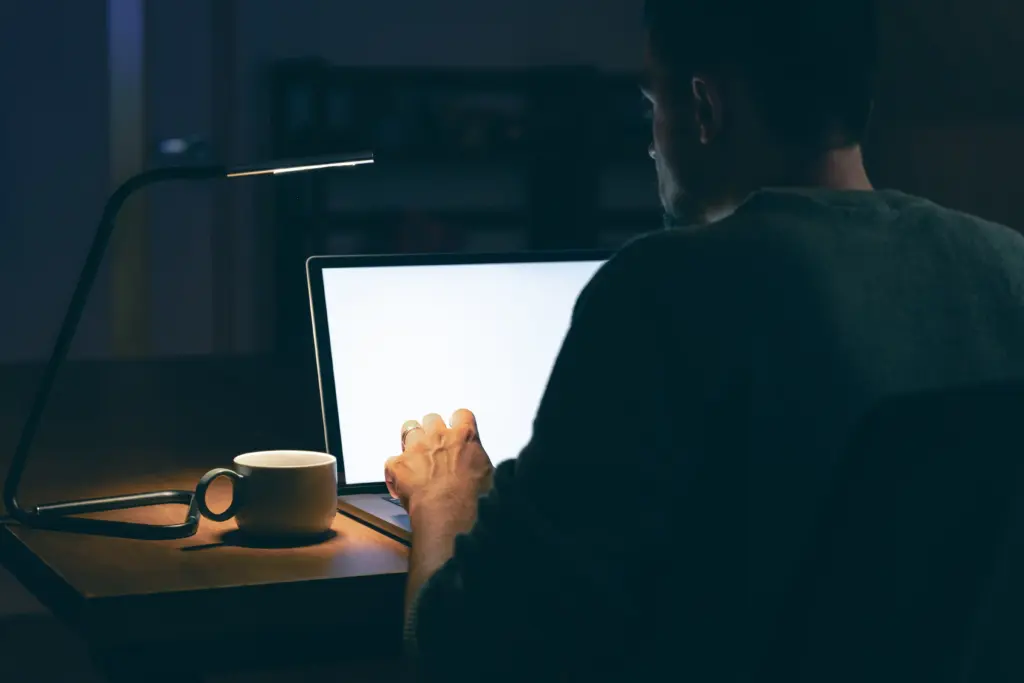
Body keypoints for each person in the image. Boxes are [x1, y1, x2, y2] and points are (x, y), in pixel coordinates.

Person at [384, 0, 1024, 680]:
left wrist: (445, 498)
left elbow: (469, 652)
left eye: (649, 106)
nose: (652, 142)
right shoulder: (1009, 268)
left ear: (702, 107)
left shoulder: (663, 292)